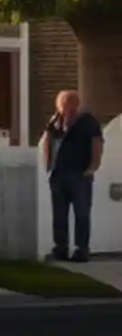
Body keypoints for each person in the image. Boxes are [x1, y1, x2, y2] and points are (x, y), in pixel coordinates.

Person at [42, 90, 104, 262]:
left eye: (68, 104)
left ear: (76, 105)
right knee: (59, 214)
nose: (65, 109)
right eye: (62, 105)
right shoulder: (55, 122)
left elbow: (97, 143)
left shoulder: (88, 122)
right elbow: (48, 141)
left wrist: (92, 168)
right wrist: (48, 167)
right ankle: (60, 248)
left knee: (81, 214)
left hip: (80, 175)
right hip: (58, 175)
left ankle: (81, 249)